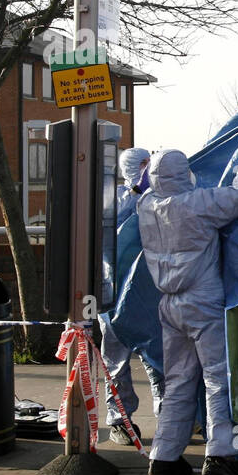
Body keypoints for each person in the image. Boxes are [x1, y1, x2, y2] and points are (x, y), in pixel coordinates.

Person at [136, 133, 238, 475]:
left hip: (169, 303)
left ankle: (163, 458)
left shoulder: (146, 206)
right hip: (203, 299)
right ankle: (220, 456)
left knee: (177, 382)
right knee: (217, 379)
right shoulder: (196, 204)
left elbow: (142, 187)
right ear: (184, 175)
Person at [101, 146, 165, 444]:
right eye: (142, 164)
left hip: (147, 289)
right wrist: (136, 194)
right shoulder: (114, 199)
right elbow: (107, 231)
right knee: (116, 360)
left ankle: (169, 417)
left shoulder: (159, 198)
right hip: (113, 291)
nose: (147, 170)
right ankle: (120, 420)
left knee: (157, 354)